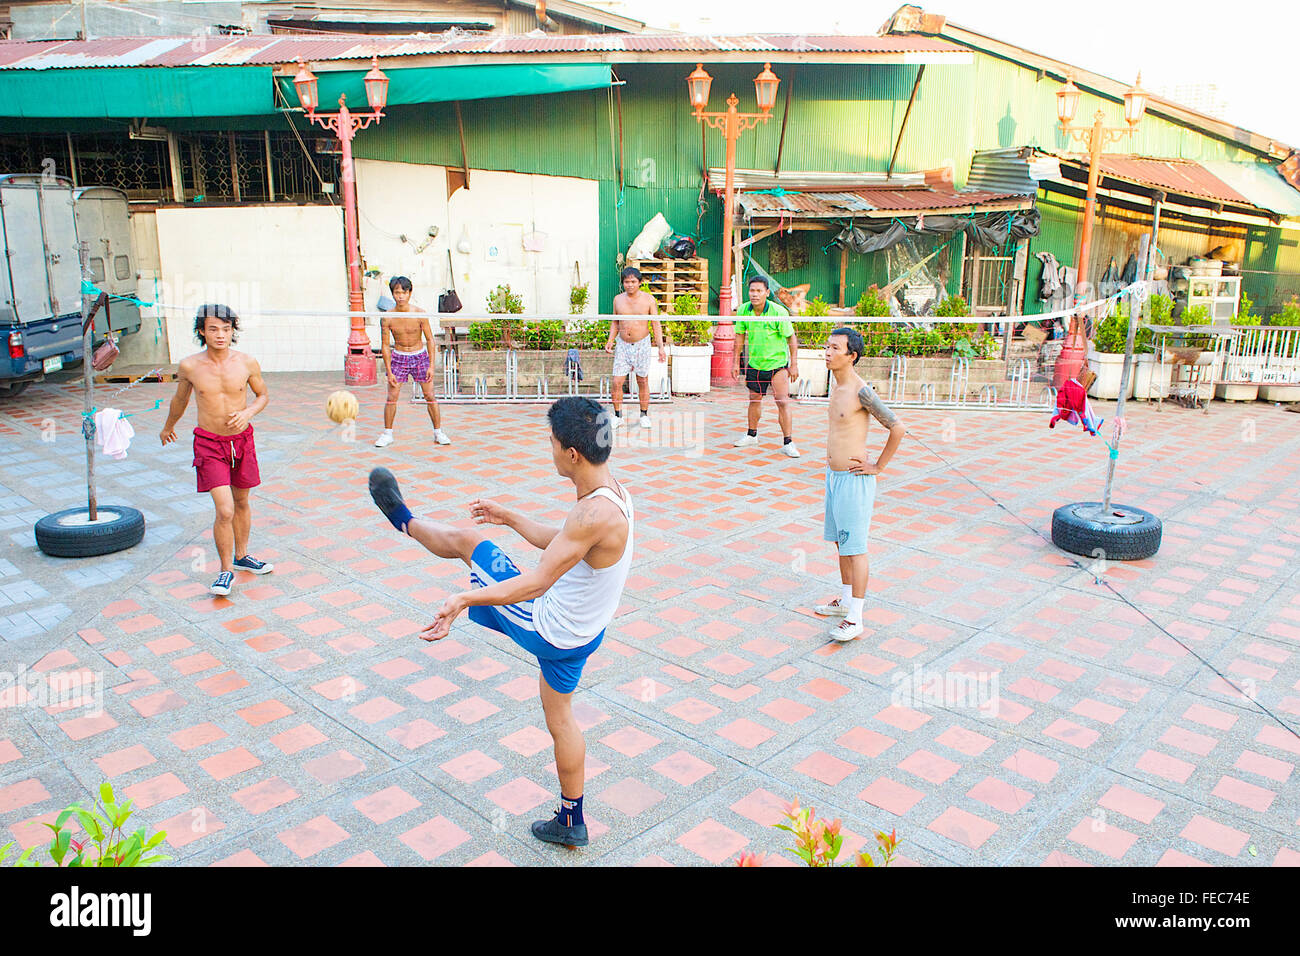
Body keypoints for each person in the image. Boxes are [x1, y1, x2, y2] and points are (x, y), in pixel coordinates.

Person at [367, 396, 633, 848]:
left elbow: (537, 583)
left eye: (551, 443)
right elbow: (565, 541)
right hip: (583, 634)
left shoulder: (592, 513)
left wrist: (463, 598)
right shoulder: (614, 495)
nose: (548, 450)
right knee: (562, 720)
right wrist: (509, 517)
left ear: (571, 453)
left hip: (548, 625)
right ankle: (572, 820)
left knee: (471, 542)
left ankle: (403, 521)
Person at [159, 304, 273, 597]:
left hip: (242, 441)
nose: (220, 335)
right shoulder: (189, 366)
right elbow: (180, 400)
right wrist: (168, 426)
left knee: (242, 502)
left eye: (226, 328)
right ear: (201, 331)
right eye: (213, 329)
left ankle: (242, 555)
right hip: (209, 444)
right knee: (225, 509)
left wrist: (248, 413)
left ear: (233, 331)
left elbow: (262, 396)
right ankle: (225, 571)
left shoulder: (247, 362)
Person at [815, 326, 906, 641]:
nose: (827, 352)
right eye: (827, 347)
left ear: (851, 356)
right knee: (841, 542)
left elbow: (897, 427)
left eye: (835, 348)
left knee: (856, 548)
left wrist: (877, 466)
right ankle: (844, 600)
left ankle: (856, 618)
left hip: (855, 480)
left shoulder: (861, 391)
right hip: (834, 477)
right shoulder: (835, 386)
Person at [375, 276, 451, 448]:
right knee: (392, 397)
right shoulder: (387, 317)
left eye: (404, 292)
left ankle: (438, 432)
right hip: (399, 357)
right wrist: (389, 370)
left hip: (420, 357)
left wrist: (431, 365)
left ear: (410, 293)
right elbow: (385, 345)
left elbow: (430, 340)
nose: (400, 296)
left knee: (430, 396)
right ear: (392, 294)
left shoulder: (419, 314)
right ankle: (387, 434)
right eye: (397, 292)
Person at [732, 276, 801, 458]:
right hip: (755, 364)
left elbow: (791, 338)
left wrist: (793, 364)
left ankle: (788, 442)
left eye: (758, 291)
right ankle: (751, 434)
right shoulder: (743, 310)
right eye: (751, 291)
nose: (754, 295)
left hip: (777, 364)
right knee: (754, 399)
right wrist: (734, 363)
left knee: (782, 400)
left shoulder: (778, 312)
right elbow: (739, 337)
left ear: (767, 293)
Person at [606, 266, 666, 429]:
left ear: (639, 282)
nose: (630, 285)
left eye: (633, 281)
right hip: (623, 344)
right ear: (623, 283)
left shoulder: (648, 300)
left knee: (642, 380)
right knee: (617, 381)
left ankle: (644, 414)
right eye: (627, 282)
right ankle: (618, 415)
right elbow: (615, 322)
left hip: (642, 344)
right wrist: (611, 340)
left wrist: (661, 347)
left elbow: (655, 324)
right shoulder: (618, 299)